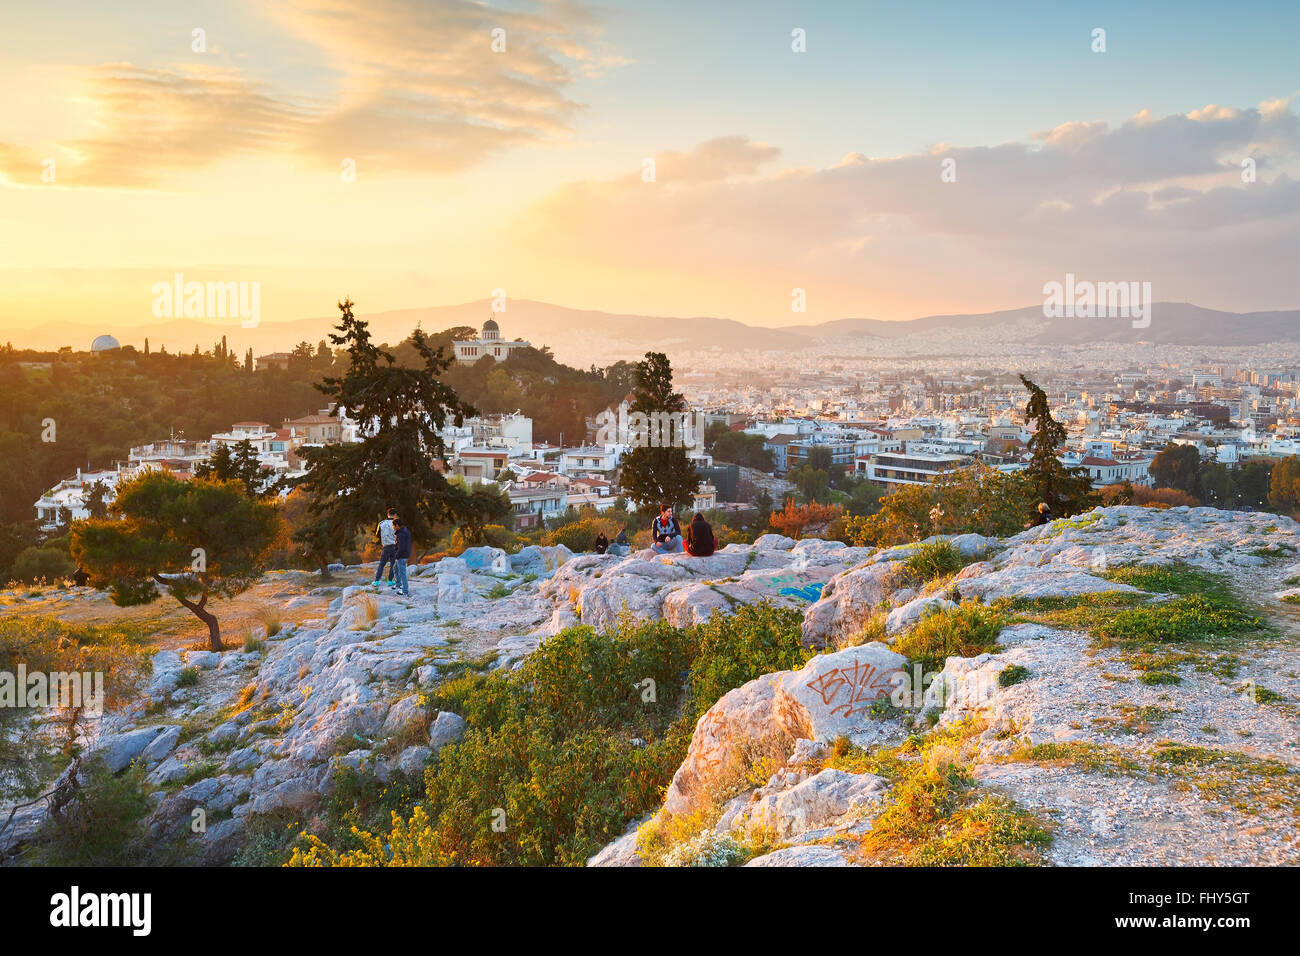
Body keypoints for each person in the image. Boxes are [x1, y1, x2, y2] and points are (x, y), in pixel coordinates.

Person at [373, 508, 398, 590]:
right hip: (395, 546)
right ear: (395, 515)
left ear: (387, 514)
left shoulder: (381, 523)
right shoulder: (397, 523)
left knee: (381, 564)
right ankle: (390, 581)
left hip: (386, 546)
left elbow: (377, 535)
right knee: (393, 564)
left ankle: (376, 581)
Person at [392, 517, 411, 596]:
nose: (393, 527)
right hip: (403, 555)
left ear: (397, 525)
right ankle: (398, 584)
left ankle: (405, 590)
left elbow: (401, 547)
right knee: (395, 569)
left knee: (402, 573)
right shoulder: (403, 531)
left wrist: (396, 556)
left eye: (393, 526)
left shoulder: (401, 534)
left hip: (401, 556)